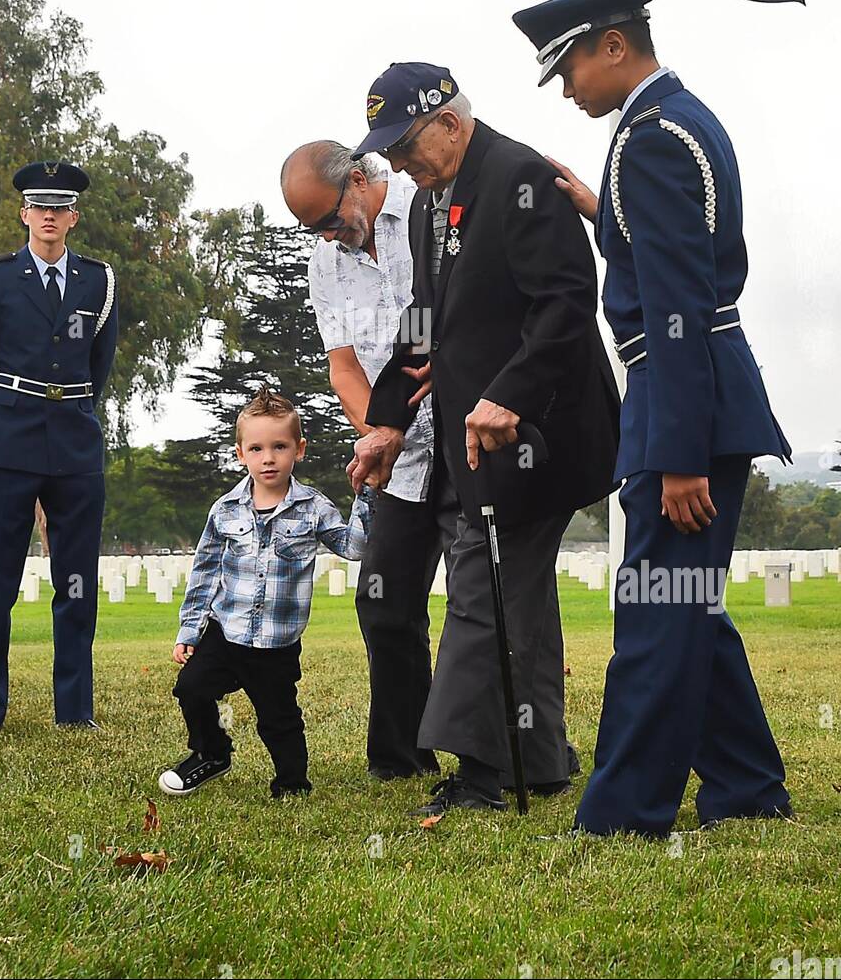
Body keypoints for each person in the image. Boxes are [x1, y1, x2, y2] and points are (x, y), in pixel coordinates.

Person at [512, 0, 793, 837]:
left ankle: (625, 814)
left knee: (655, 617)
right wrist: (607, 218)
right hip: (691, 393)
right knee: (686, 608)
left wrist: (676, 454)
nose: (567, 89)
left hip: (684, 402)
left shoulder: (653, 139)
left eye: (569, 69)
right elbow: (673, 255)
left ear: (612, 46)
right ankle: (746, 787)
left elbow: (677, 307)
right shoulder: (669, 123)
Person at [347, 62, 620, 815]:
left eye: (404, 146)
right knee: (515, 593)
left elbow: (565, 304)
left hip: (537, 432)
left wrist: (508, 396)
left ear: (448, 122)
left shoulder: (518, 176)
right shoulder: (436, 200)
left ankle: (478, 774)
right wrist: (387, 423)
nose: (396, 164)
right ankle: (539, 759)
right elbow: (426, 323)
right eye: (389, 153)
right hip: (477, 436)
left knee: (479, 581)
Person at [281, 140, 440, 781]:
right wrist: (379, 431)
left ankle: (520, 751)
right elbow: (342, 362)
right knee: (383, 600)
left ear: (355, 180)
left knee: (491, 601)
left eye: (327, 218)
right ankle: (405, 757)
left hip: (466, 438)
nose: (326, 235)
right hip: (396, 454)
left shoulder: (427, 210)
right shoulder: (327, 262)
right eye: (310, 229)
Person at [0, 160, 118, 735]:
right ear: (25, 213)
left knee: (76, 580)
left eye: (61, 207)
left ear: (73, 217)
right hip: (9, 439)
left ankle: (75, 710)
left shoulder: (98, 282)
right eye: (39, 205)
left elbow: (100, 367)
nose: (49, 215)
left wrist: (71, 412)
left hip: (75, 442)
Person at [160, 389, 377, 799]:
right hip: (226, 633)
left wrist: (365, 496)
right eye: (257, 448)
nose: (269, 458)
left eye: (279, 447)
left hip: (276, 643)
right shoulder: (225, 510)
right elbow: (205, 570)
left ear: (299, 449)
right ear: (240, 453)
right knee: (191, 688)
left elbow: (355, 548)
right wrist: (189, 629)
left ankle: (292, 784)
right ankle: (212, 753)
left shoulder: (313, 507)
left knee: (279, 718)